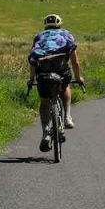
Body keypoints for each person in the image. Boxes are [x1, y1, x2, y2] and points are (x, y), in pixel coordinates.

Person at [28, 13, 84, 152]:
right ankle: (67, 117)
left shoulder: (39, 36)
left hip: (43, 73)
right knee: (65, 85)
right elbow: (75, 62)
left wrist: (31, 79)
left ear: (45, 25)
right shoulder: (67, 35)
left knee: (45, 102)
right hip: (61, 70)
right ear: (60, 24)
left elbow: (33, 62)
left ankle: (46, 132)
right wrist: (79, 78)